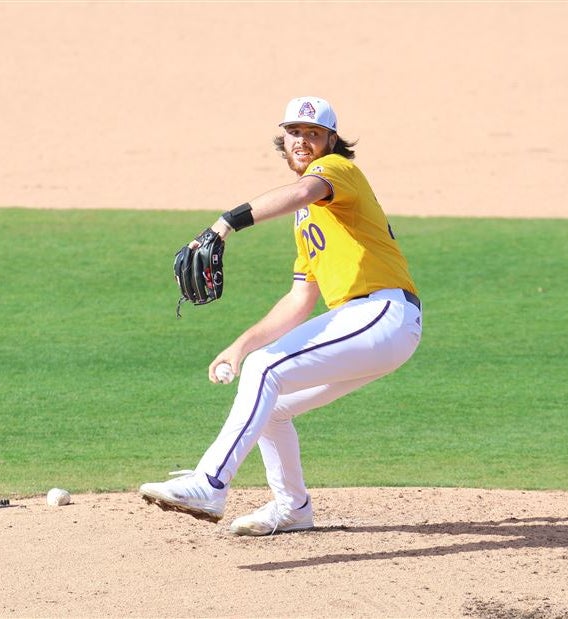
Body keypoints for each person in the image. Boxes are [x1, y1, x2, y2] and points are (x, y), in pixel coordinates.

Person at [139, 96, 423, 536]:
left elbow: (303, 191)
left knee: (266, 368)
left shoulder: (336, 174)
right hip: (369, 325)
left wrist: (225, 224)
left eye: (313, 133)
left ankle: (210, 483)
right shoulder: (309, 220)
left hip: (382, 312)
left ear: (331, 140)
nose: (303, 141)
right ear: (283, 139)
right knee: (269, 402)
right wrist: (240, 345)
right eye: (295, 133)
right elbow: (299, 301)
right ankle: (293, 508)